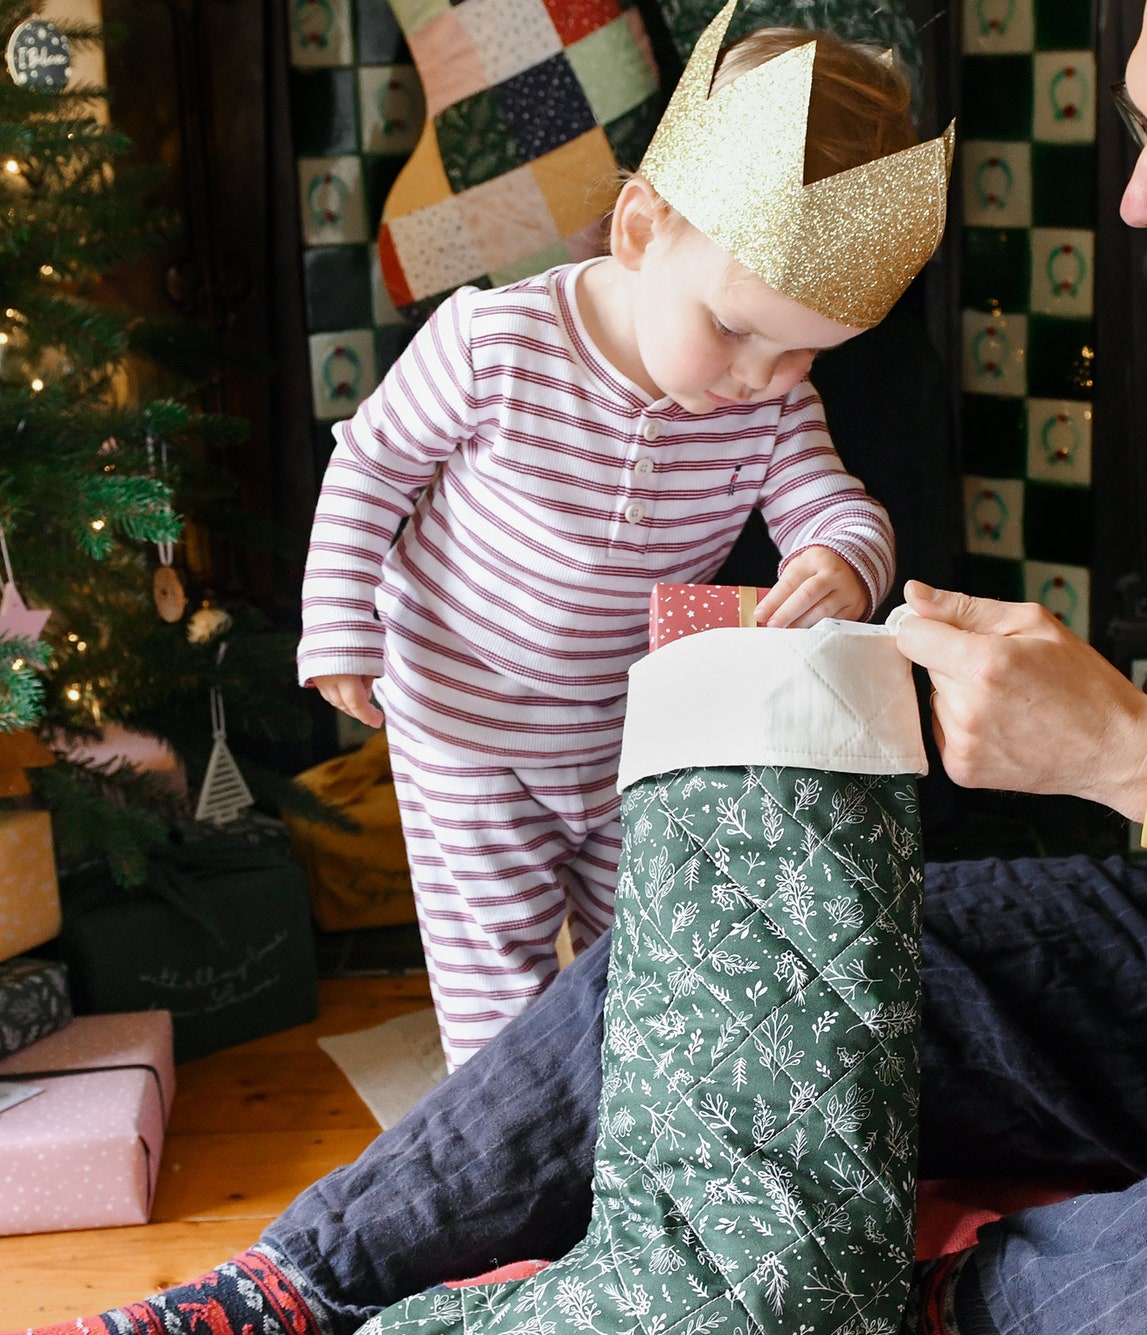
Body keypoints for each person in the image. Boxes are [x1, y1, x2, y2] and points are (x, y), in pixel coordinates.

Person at [4, 0, 1147, 1335]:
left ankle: (930, 1315)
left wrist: (1137, 760)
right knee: (754, 946)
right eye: (1137, 134)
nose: (1141, 198)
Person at [297, 26, 917, 1072]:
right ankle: (504, 1136)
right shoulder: (494, 342)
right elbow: (371, 466)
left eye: (803, 351)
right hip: (466, 723)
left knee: (651, 954)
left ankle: (622, 1129)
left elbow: (833, 505)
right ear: (639, 228)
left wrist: (846, 559)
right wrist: (337, 623)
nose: (760, 375)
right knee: (496, 981)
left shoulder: (769, 409)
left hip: (628, 732)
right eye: (733, 330)